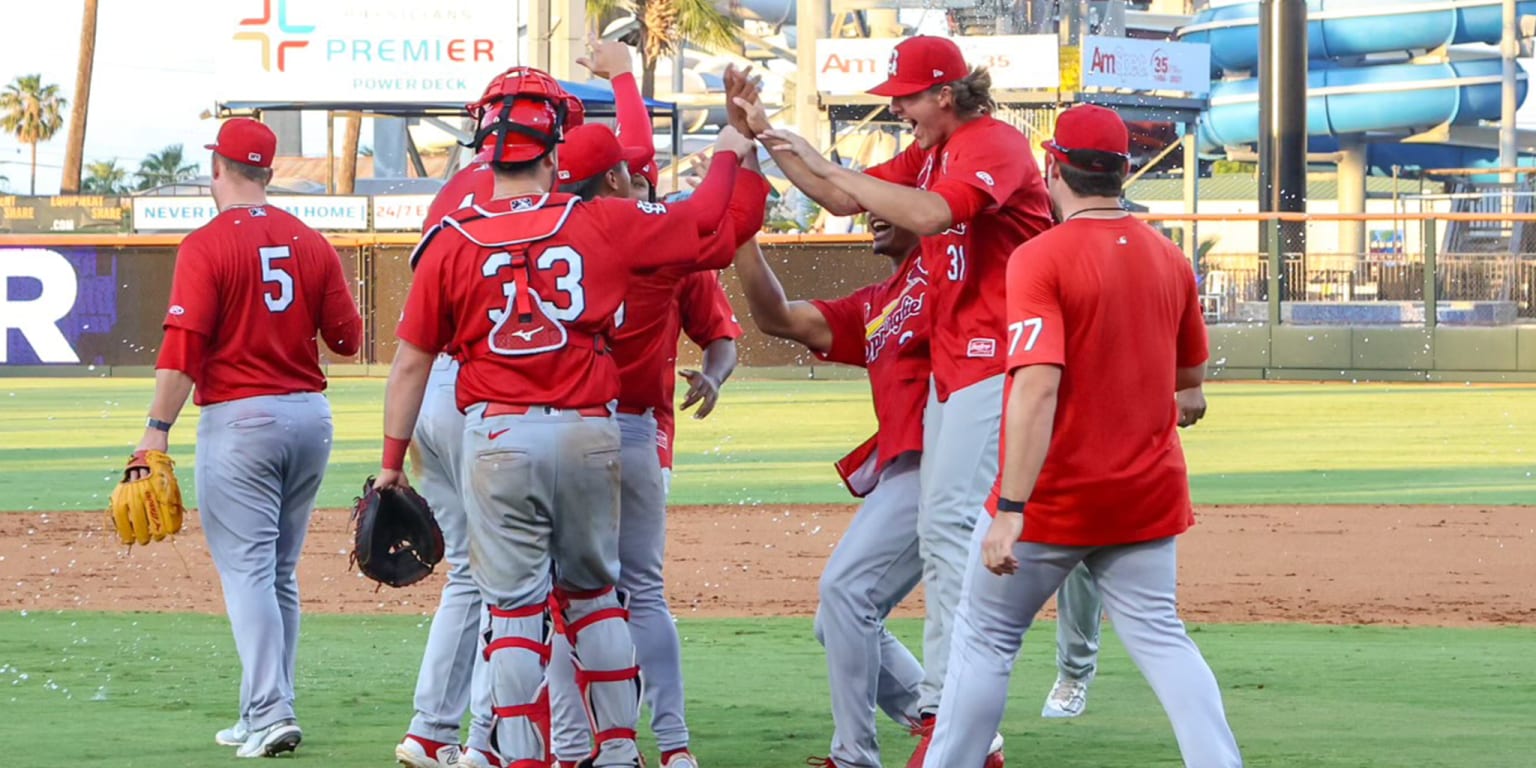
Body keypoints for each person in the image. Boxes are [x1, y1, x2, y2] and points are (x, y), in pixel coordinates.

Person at [375, 66, 764, 768]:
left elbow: (409, 365)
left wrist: (390, 462)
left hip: (498, 434)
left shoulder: (451, 236)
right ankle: (619, 752)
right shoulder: (600, 219)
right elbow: (708, 221)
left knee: (516, 612)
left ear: (484, 150)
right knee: (595, 598)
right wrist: (734, 143)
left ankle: (519, 757)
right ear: (554, 154)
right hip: (591, 429)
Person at [729, 35, 1052, 765]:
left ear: (946, 93)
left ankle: (951, 719)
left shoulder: (993, 143)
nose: (897, 109)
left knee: (952, 539)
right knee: (923, 555)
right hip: (961, 376)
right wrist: (773, 138)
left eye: (906, 96)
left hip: (1004, 359)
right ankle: (942, 722)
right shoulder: (931, 161)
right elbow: (844, 197)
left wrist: (822, 159)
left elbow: (931, 215)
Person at [920, 104, 1239, 768]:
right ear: (1122, 173)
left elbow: (1037, 386)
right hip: (1144, 498)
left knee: (984, 641)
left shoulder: (1040, 257)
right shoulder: (1170, 259)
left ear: (1053, 167)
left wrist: (1009, 510)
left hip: (1055, 500)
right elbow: (1193, 391)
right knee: (1162, 639)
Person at [395, 44, 643, 768]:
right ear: (552, 133)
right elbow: (625, 158)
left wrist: (390, 456)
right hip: (516, 389)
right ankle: (501, 743)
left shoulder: (462, 194)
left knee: (484, 583)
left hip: (448, 384)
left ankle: (443, 734)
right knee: (562, 594)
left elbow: (417, 334)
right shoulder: (558, 195)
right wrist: (623, 76)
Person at [733, 216, 1005, 768]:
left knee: (846, 593)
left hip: (946, 457)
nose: (875, 214)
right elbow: (777, 317)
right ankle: (961, 734)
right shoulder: (877, 302)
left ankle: (857, 754)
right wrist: (739, 235)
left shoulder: (951, 272)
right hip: (906, 466)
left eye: (891, 202)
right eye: (869, 205)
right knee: (836, 616)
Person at [131, 117, 361, 758]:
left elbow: (182, 352)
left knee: (249, 574)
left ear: (218, 169)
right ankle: (257, 705)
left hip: (243, 422)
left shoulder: (205, 245)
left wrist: (155, 434)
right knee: (278, 574)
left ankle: (271, 712)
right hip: (309, 420)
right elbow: (348, 342)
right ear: (268, 171)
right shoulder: (311, 241)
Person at [543, 121, 761, 768]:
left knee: (566, 600)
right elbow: (726, 225)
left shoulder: (538, 233)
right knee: (642, 591)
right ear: (617, 179)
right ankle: (673, 745)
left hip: (558, 426)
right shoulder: (652, 235)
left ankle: (574, 748)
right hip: (634, 429)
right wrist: (737, 151)